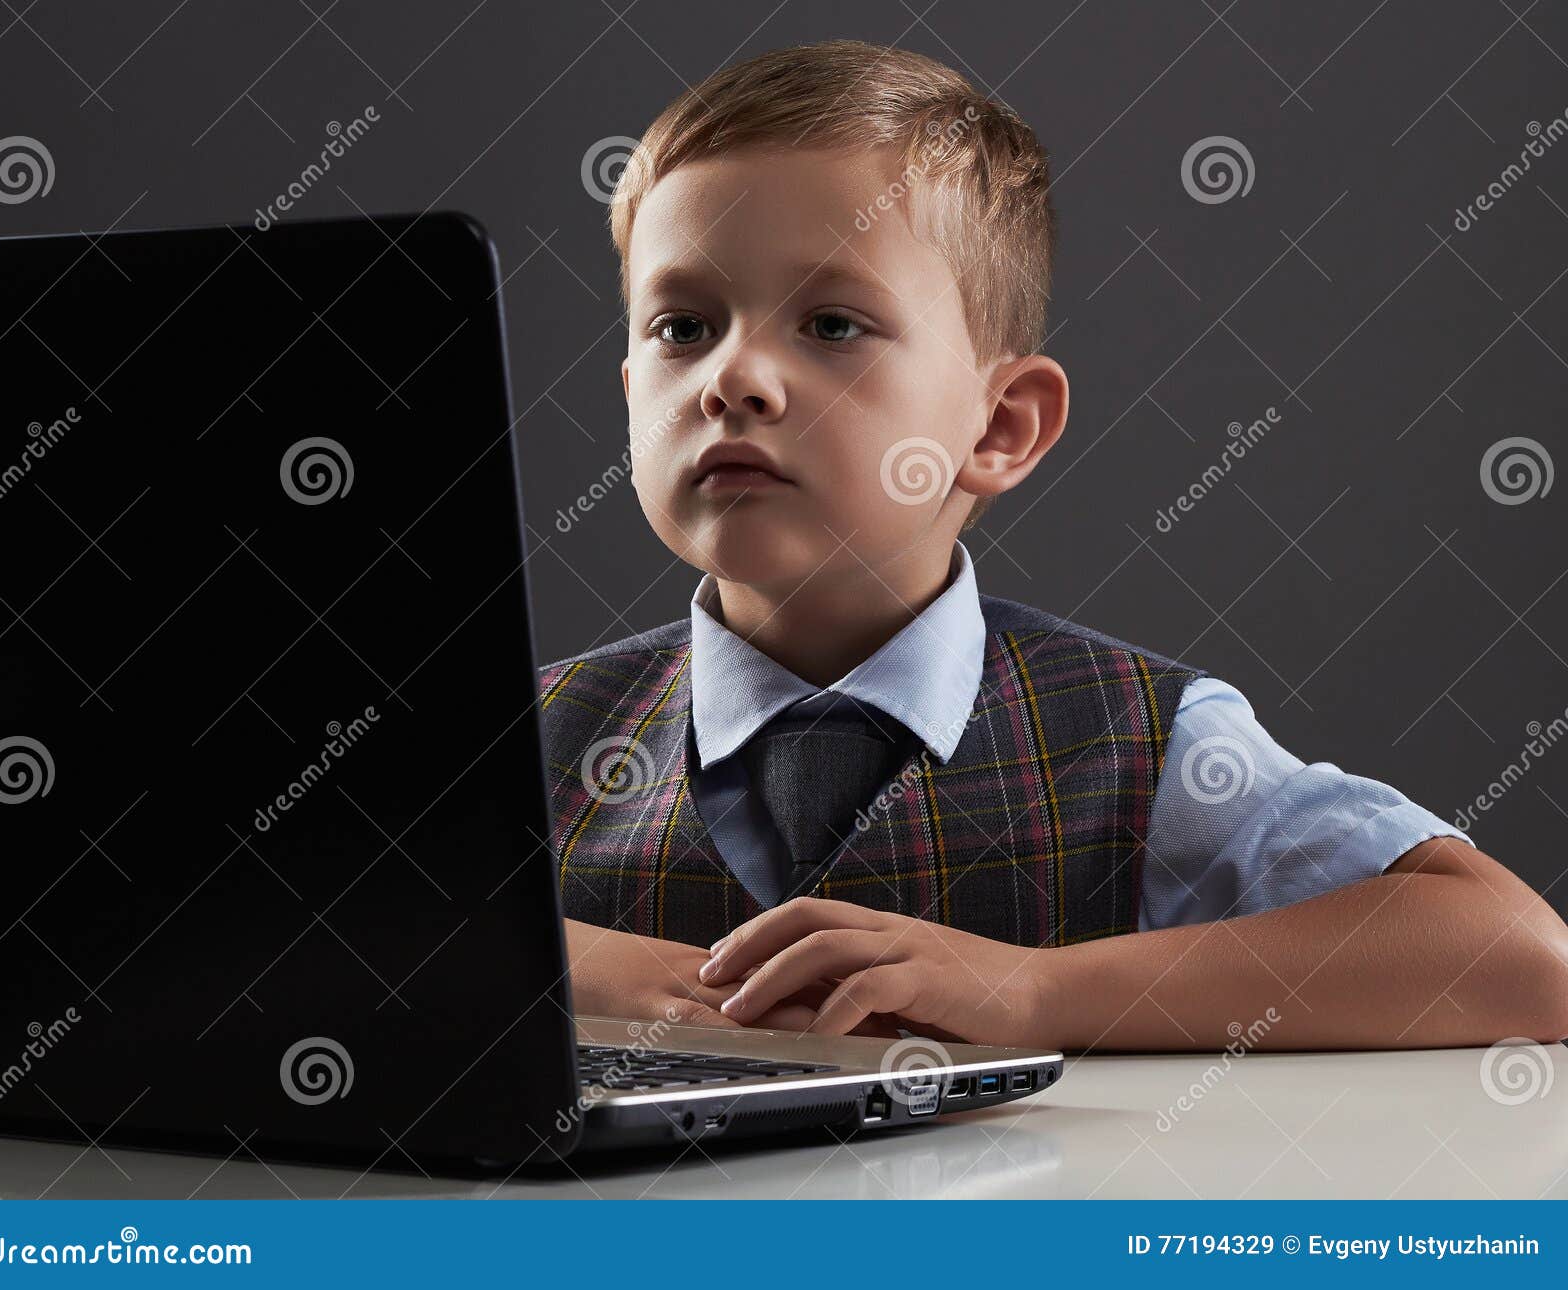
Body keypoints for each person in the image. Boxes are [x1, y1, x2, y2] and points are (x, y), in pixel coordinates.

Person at [538, 40, 1568, 1051]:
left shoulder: (1144, 744)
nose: (733, 379)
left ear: (999, 427)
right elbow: (369, 939)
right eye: (681, 327)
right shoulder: (514, 741)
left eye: (834, 325)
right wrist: (567, 966)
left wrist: (1037, 992)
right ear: (633, 400)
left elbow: (1522, 959)